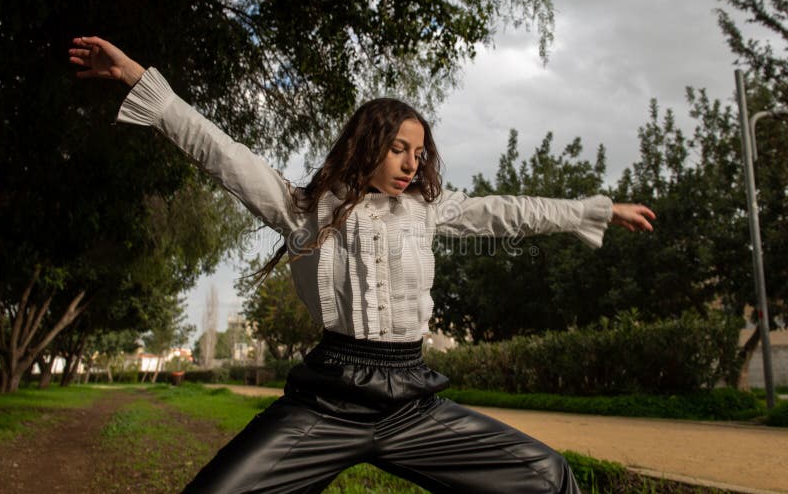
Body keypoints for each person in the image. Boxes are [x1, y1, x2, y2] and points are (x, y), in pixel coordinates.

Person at [69, 36, 655, 494]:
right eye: (399, 148)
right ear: (367, 143)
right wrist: (139, 79)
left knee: (547, 477)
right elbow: (222, 153)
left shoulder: (427, 211)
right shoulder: (302, 210)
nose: (410, 162)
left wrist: (593, 209)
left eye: (418, 153)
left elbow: (507, 212)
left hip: (412, 406)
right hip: (328, 404)